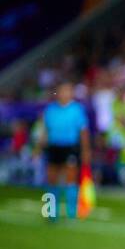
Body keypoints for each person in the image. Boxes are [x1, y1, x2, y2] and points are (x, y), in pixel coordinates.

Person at [37, 82, 91, 221]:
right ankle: (51, 213)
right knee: (52, 180)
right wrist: (38, 148)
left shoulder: (77, 109)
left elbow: (83, 132)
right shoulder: (50, 110)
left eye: (68, 91)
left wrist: (86, 150)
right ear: (58, 93)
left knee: (70, 179)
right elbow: (45, 130)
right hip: (54, 146)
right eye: (62, 91)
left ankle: (71, 212)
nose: (65, 94)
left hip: (70, 147)